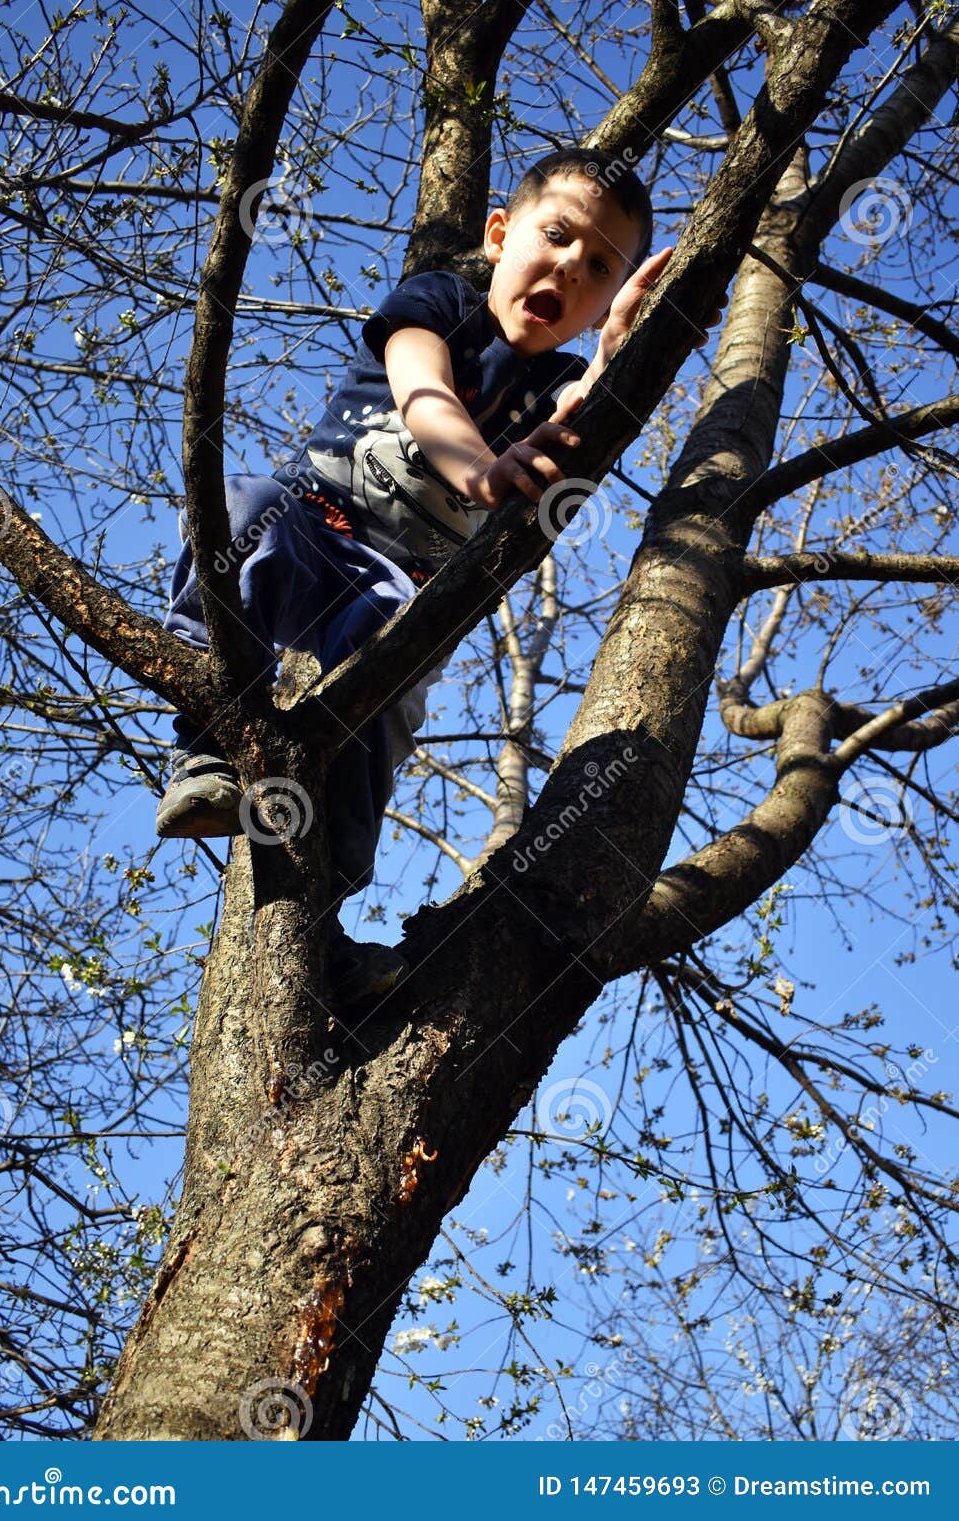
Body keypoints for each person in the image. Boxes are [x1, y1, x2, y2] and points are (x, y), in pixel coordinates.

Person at [156, 147, 667, 1000]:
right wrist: (479, 471)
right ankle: (209, 752)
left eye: (600, 269)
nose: (572, 267)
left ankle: (319, 919)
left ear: (604, 305)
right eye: (557, 236)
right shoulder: (439, 301)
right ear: (499, 234)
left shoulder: (564, 381)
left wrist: (619, 362)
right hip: (312, 525)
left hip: (402, 583)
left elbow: (584, 422)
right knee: (239, 512)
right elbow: (422, 391)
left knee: (379, 691)